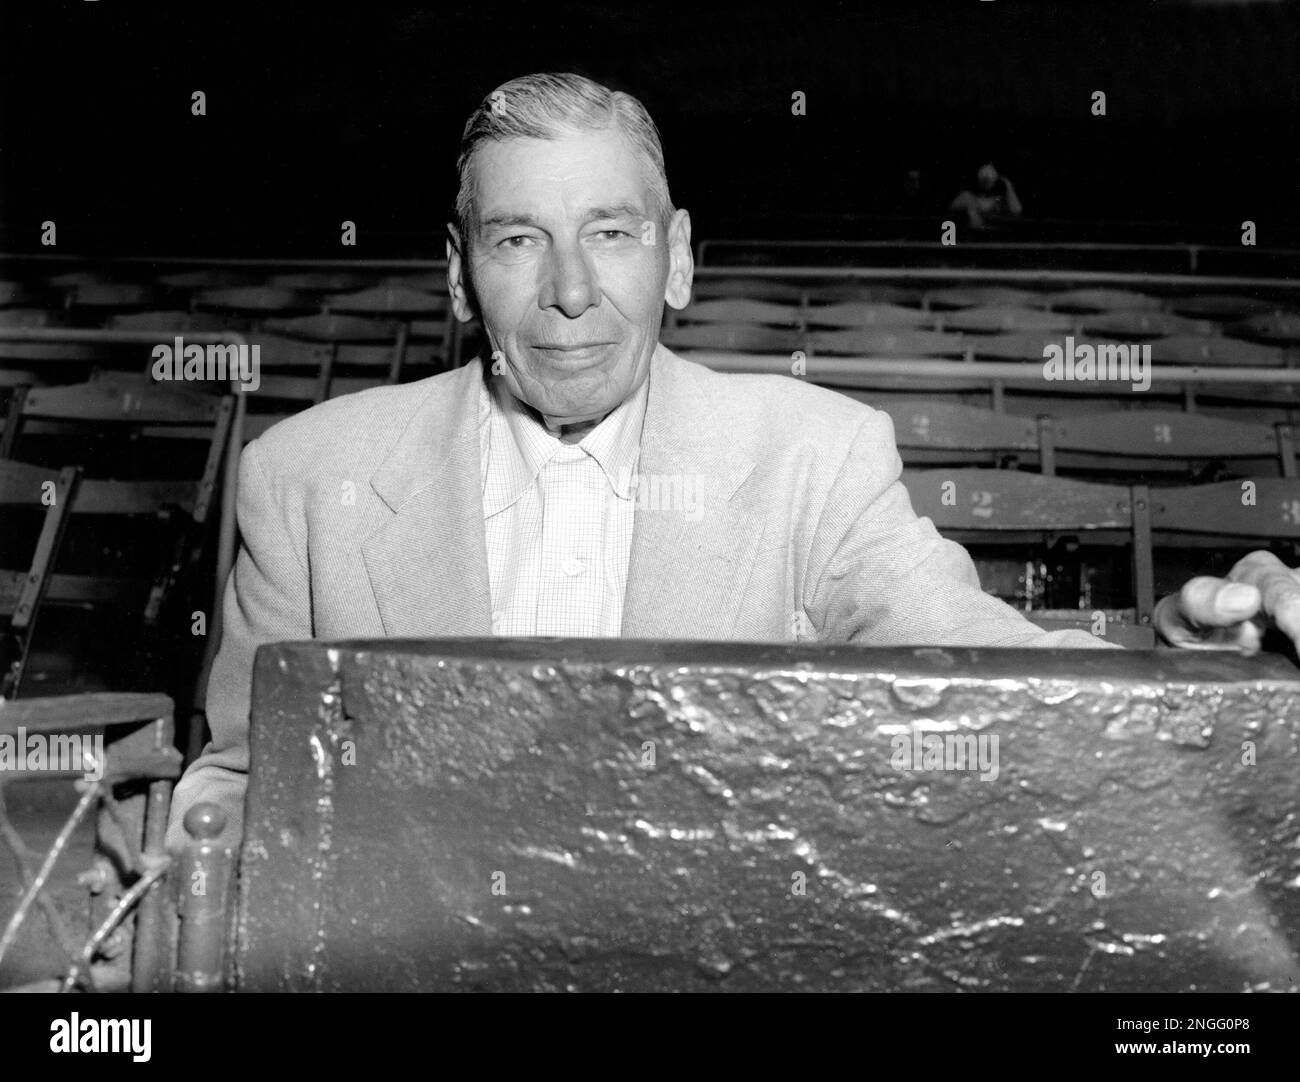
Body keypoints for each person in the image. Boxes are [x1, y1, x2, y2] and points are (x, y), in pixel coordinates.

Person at [165, 73, 1300, 850]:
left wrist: (1181, 669)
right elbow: (235, 786)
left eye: (611, 232)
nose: (571, 289)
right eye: (519, 239)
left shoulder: (814, 455)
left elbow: (984, 672)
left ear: (678, 263)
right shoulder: (305, 479)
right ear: (460, 278)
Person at [950, 162, 1023, 230]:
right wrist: (971, 209)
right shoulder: (967, 196)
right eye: (984, 179)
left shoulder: (999, 199)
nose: (986, 177)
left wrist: (1007, 184)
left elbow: (1016, 210)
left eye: (990, 174)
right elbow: (953, 207)